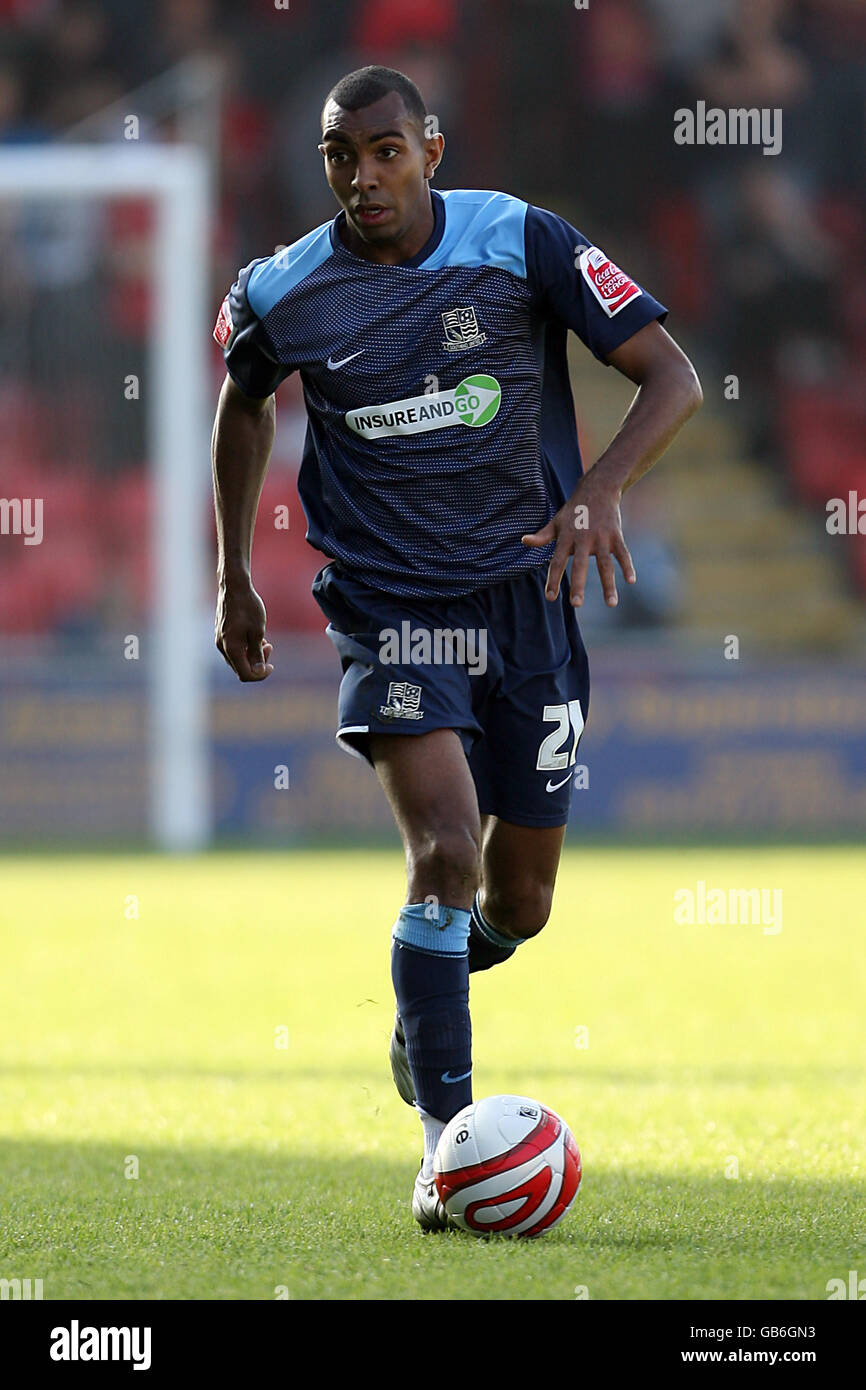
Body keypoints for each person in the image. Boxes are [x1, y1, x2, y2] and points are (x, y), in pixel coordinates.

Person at [211, 65, 702, 1230]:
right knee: (442, 852)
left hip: (526, 600)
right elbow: (242, 403)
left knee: (517, 902)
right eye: (341, 155)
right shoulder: (284, 291)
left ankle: (421, 1001)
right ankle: (443, 1148)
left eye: (385, 150)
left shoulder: (520, 240)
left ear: (429, 146)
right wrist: (231, 570)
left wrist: (597, 491)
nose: (364, 175)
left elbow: (669, 376)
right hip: (389, 607)